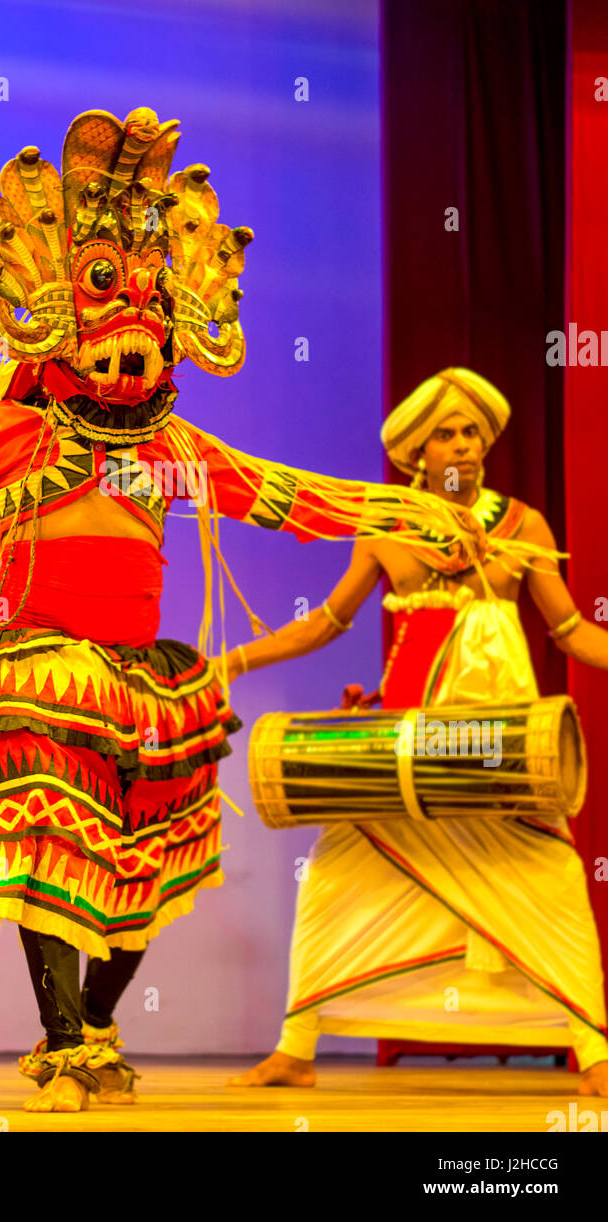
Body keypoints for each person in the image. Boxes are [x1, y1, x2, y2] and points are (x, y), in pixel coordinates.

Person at [0, 113, 482, 1113]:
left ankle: (93, 1021)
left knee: (148, 872)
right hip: (40, 667)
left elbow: (289, 495)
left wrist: (409, 511)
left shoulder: (171, 446)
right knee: (44, 845)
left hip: (143, 678)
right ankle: (64, 1042)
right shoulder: (4, 432)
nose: (129, 347)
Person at [222, 368, 608, 1096]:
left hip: (497, 745)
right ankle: (296, 1052)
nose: (461, 445)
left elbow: (571, 632)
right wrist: (234, 660)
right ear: (414, 456)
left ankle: (593, 1052)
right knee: (334, 880)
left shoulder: (522, 526)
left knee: (550, 879)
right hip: (405, 741)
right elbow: (325, 621)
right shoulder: (384, 529)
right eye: (444, 434)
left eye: (470, 432)